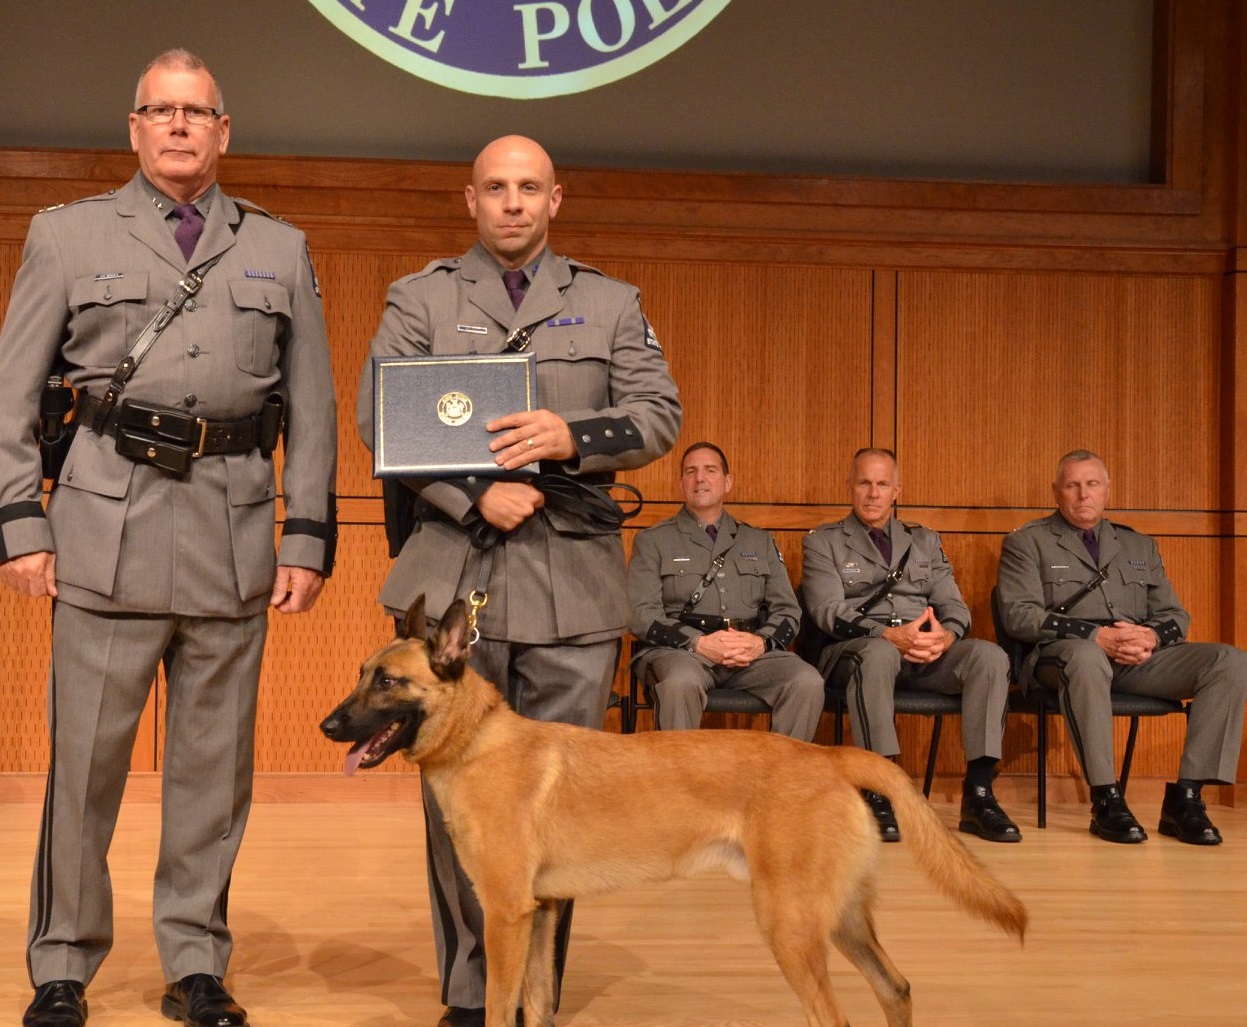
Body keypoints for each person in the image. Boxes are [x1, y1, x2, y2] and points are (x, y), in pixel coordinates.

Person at [0, 49, 337, 1027]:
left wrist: (306, 532)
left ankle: (195, 961)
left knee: (211, 770)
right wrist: (21, 520)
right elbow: (13, 394)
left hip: (233, 536)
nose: (180, 126)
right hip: (104, 531)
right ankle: (62, 963)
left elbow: (308, 406)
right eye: (162, 110)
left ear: (224, 132)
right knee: (86, 767)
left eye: (198, 112)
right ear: (134, 129)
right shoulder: (67, 238)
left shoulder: (280, 247)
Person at [356, 135, 681, 1027]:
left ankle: (535, 1000)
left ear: (555, 199)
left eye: (527, 188)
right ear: (470, 199)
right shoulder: (419, 297)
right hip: (453, 571)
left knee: (564, 809)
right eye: (495, 188)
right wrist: (470, 491)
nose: (511, 202)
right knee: (456, 801)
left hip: (569, 580)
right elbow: (377, 414)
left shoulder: (612, 303)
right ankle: (471, 995)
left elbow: (660, 413)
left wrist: (569, 436)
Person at [995, 449, 1247, 845]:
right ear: (1056, 492)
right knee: (1087, 656)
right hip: (1062, 657)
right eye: (1073, 485)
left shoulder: (1138, 546)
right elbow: (1019, 616)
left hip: (1135, 660)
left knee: (1229, 661)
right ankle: (1106, 799)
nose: (1083, 495)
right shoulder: (1029, 543)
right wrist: (1095, 636)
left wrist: (1150, 638)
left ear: (1107, 490)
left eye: (1092, 484)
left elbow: (1176, 616)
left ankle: (1187, 798)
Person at [801, 448, 1020, 843]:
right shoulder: (824, 542)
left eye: (882, 484)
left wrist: (945, 636)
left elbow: (954, 605)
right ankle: (879, 791)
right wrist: (888, 635)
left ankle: (980, 793)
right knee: (879, 653)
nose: (873, 493)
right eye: (864, 483)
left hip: (924, 651)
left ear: (896, 490)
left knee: (989, 656)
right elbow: (826, 610)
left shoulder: (924, 540)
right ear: (849, 487)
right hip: (855, 650)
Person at [627, 442, 825, 738]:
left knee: (806, 681)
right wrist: (698, 643)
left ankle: (780, 782)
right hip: (683, 653)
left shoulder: (759, 541)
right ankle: (680, 784)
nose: (700, 478)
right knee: (679, 683)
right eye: (690, 472)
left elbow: (787, 610)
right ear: (681, 483)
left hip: (749, 656)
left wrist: (760, 643)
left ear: (727, 482)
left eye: (710, 470)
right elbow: (640, 614)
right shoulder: (653, 541)